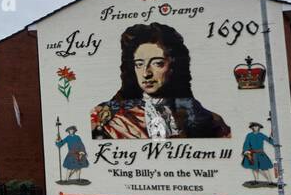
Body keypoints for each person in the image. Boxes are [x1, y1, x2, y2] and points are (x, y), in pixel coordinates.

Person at [91, 23, 230, 139]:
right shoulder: (108, 116)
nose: (146, 73)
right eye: (139, 64)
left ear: (173, 66)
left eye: (157, 63)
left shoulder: (205, 118)